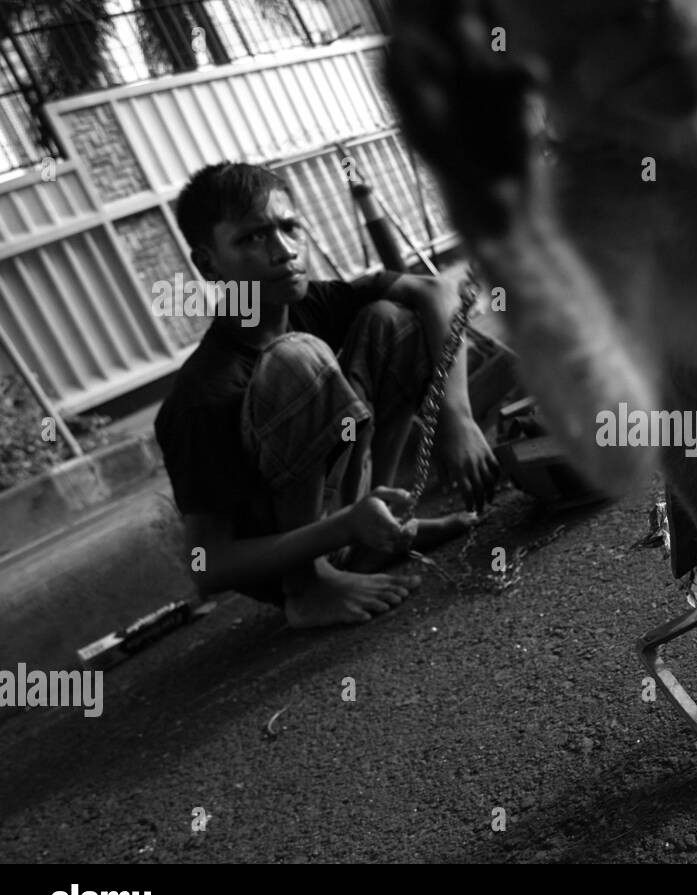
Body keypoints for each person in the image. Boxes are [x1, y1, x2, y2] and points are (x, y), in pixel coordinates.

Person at [154, 161, 499, 628]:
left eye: (289, 227)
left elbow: (438, 292)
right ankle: (310, 585)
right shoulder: (203, 393)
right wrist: (339, 527)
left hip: (350, 520)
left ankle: (380, 530)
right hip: (286, 560)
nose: (284, 250)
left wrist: (455, 414)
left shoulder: (309, 301)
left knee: (391, 319)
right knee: (298, 358)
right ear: (208, 263)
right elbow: (206, 566)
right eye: (252, 238)